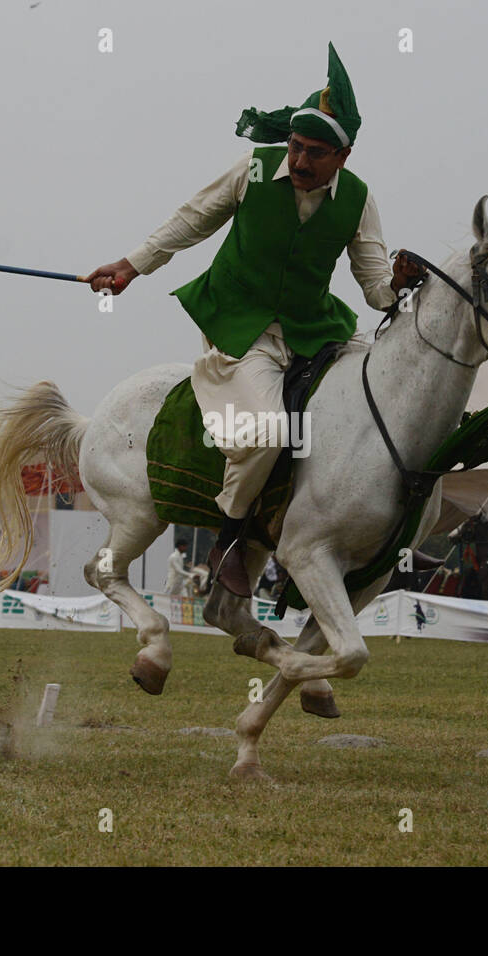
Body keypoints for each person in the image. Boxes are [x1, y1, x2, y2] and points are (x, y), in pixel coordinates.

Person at [84, 43, 425, 597]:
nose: (298, 161)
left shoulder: (359, 201)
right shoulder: (253, 170)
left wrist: (402, 286)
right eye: (294, 146)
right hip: (242, 327)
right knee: (268, 430)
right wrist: (133, 266)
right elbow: (192, 221)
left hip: (316, 331)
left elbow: (374, 290)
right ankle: (230, 538)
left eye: (314, 152)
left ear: (344, 156)